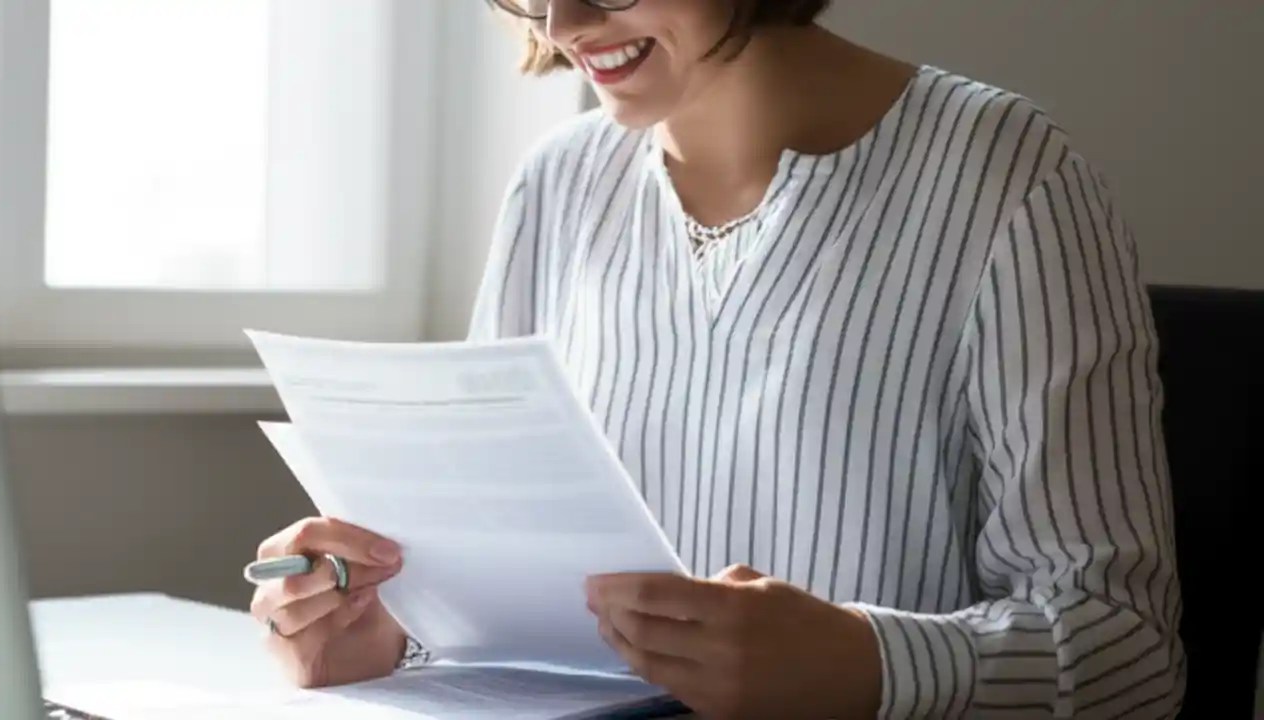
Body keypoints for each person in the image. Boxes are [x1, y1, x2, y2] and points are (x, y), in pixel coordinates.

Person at [250, 0, 1186, 716]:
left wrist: (867, 664)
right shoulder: (556, 186)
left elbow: (1131, 655)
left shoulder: (1010, 178)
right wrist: (387, 635)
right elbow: (503, 621)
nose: (563, 25)